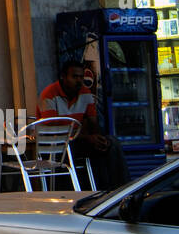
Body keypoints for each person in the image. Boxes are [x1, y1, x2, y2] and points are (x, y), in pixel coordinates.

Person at [37, 60, 129, 189]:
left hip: (78, 139)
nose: (79, 81)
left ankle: (120, 189)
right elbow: (55, 130)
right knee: (71, 148)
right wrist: (88, 138)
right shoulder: (49, 95)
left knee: (112, 143)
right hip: (55, 144)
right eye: (74, 77)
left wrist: (98, 139)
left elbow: (93, 122)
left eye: (81, 77)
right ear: (63, 77)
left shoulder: (85, 93)